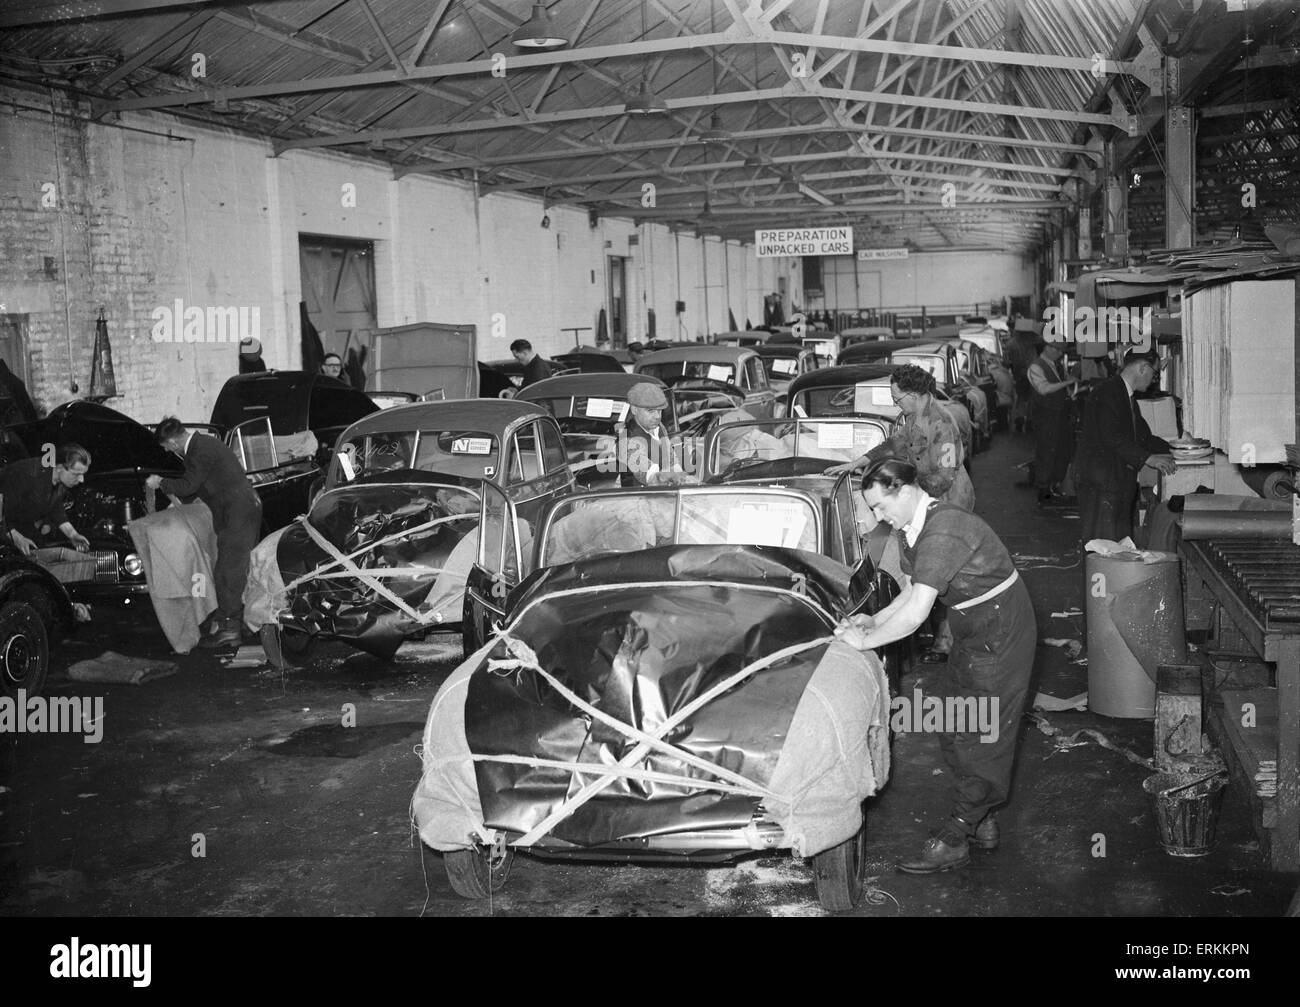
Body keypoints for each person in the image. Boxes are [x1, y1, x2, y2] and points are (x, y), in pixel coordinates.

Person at [836, 458, 1037, 873]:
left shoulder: (943, 530)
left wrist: (864, 642)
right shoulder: (914, 528)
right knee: (956, 720)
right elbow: (910, 591)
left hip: (1000, 629)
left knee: (983, 731)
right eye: (872, 509)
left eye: (880, 506)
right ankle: (981, 818)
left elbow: (917, 614)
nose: (878, 516)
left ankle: (958, 832)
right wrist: (872, 620)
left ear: (906, 491)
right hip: (974, 627)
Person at [146, 417, 263, 649]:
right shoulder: (201, 446)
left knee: (228, 571)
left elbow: (188, 485)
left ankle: (231, 631)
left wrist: (160, 482)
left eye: (166, 447)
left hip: (238, 512)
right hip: (239, 510)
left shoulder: (200, 450)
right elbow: (193, 490)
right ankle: (243, 623)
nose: (168, 451)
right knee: (236, 569)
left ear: (172, 441)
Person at [829, 364, 974, 511]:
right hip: (929, 494)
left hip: (949, 502)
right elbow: (892, 445)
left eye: (897, 399)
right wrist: (855, 464)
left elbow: (943, 479)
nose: (895, 404)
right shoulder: (914, 415)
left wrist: (901, 488)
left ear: (912, 395)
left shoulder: (941, 424)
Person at [1075, 348, 1175, 545]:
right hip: (1102, 482)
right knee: (1103, 545)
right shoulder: (1107, 393)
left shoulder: (1126, 397)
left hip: (1114, 481)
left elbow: (1143, 437)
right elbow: (1111, 436)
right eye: (1155, 373)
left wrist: (1176, 449)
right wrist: (1148, 459)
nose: (1154, 379)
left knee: (1117, 544)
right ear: (1142, 368)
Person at [0, 444, 93, 555]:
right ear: (59, 467)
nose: (81, 480)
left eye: (83, 474)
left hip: (17, 526)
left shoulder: (59, 481)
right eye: (76, 474)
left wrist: (73, 535)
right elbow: (2, 512)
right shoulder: (27, 474)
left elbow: (56, 507)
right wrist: (16, 538)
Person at [1026, 341, 1078, 504]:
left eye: (1061, 349)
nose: (1060, 353)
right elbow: (1044, 389)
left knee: (1060, 452)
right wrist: (1068, 382)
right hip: (1046, 417)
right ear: (1046, 347)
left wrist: (1073, 391)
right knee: (1047, 452)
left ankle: (1053, 488)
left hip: (1059, 416)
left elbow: (1061, 390)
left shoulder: (1056, 366)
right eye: (1057, 349)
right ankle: (1044, 490)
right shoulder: (1036, 367)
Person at [617, 382, 686, 486]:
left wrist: (678, 472)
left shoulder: (658, 426)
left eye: (660, 411)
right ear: (634, 410)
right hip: (637, 499)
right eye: (651, 411)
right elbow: (651, 477)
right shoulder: (627, 441)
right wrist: (669, 476)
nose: (657, 416)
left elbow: (670, 458)